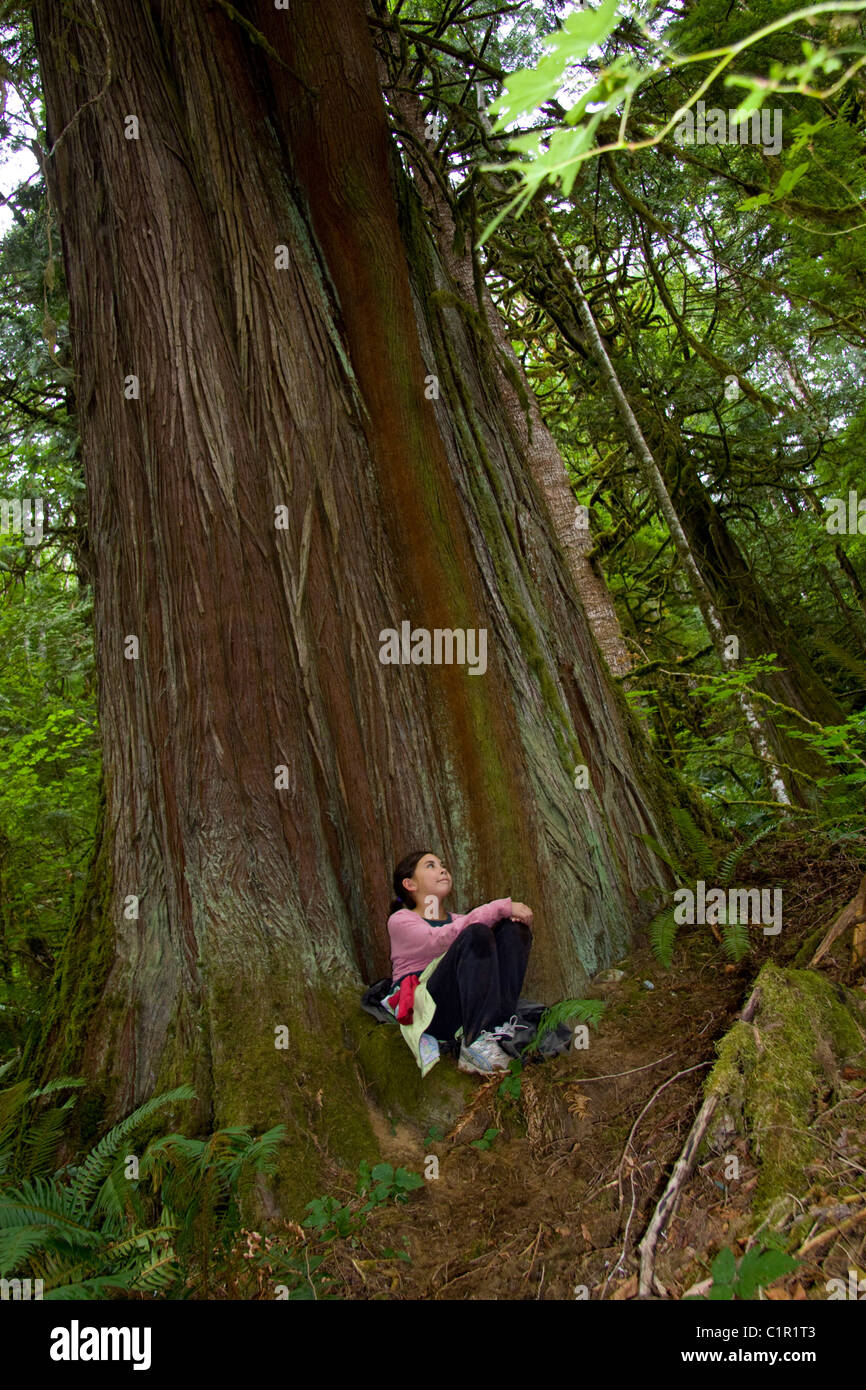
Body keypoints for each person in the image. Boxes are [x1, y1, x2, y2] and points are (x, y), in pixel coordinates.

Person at [387, 849, 534, 1075]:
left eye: (442, 864)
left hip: (465, 1007)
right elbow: (441, 939)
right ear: (410, 884)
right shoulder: (401, 920)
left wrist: (507, 924)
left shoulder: (458, 921)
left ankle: (498, 1030)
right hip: (430, 1013)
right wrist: (499, 908)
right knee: (476, 933)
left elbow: (464, 931)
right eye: (430, 866)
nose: (442, 869)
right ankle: (475, 1042)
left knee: (513, 931)